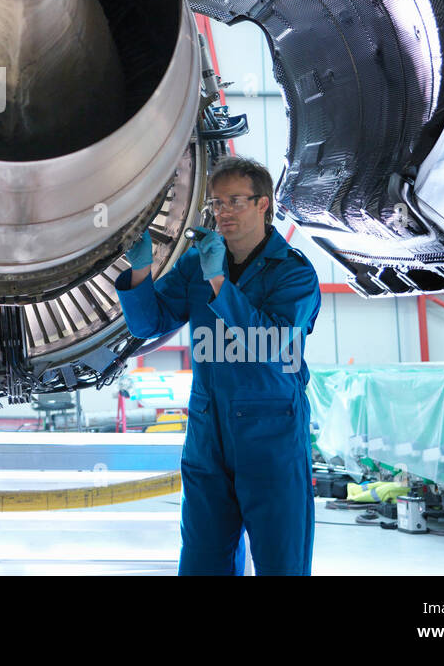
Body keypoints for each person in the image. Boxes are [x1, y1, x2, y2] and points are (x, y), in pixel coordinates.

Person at [117, 155, 321, 576]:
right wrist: (140, 271)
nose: (222, 212)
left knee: (282, 564)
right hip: (209, 436)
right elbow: (148, 323)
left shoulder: (294, 274)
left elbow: (268, 343)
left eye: (234, 202)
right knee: (201, 563)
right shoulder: (196, 264)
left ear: (263, 204)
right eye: (216, 203)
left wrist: (219, 284)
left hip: (272, 437)